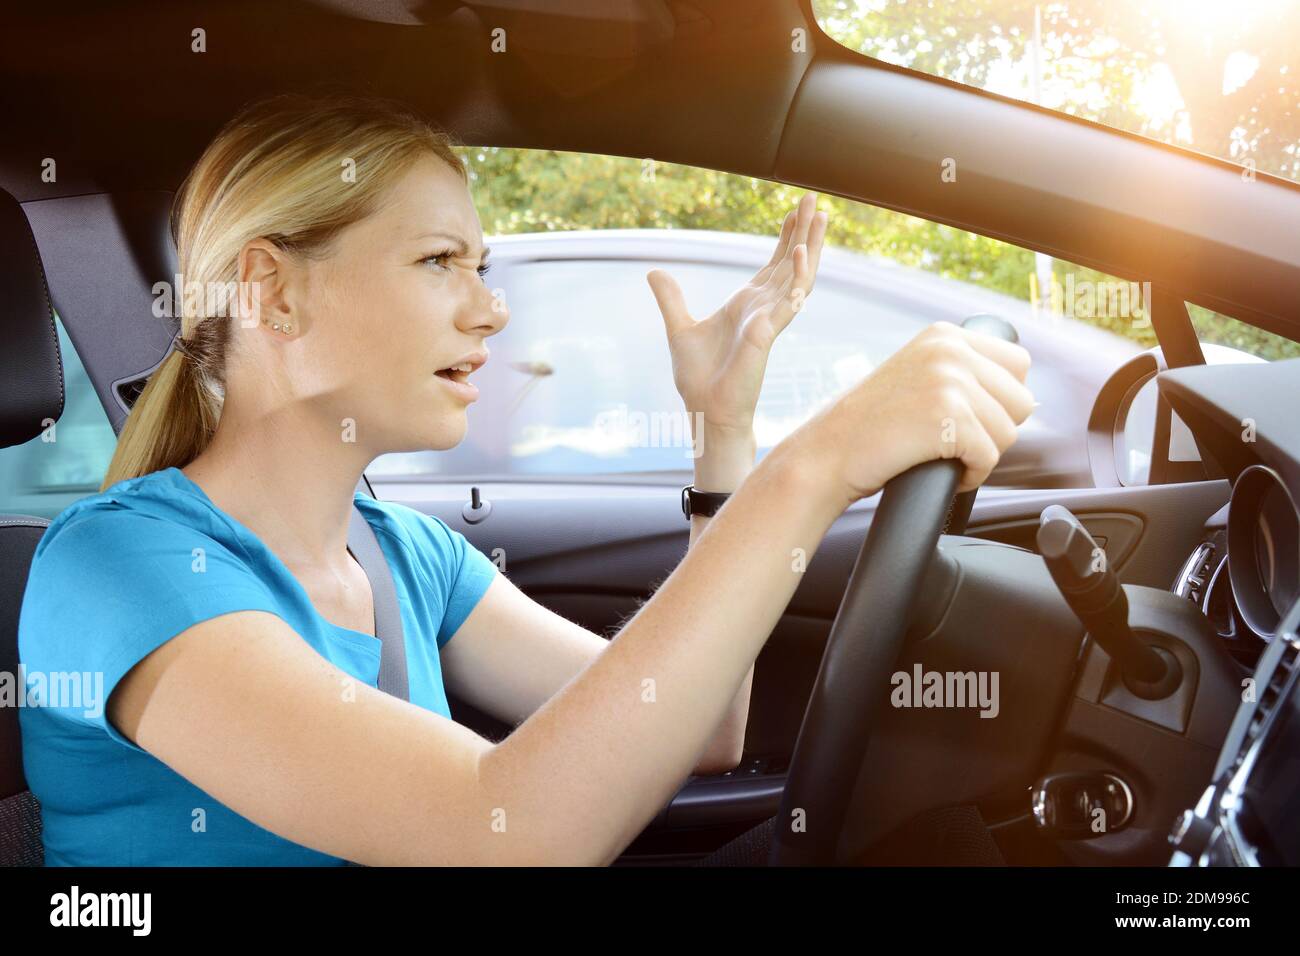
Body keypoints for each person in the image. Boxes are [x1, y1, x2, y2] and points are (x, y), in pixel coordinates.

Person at [17, 92, 1032, 866]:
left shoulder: (406, 553)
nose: (488, 310)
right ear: (271, 290)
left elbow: (703, 730)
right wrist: (815, 467)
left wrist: (722, 431)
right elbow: (500, 830)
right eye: (438, 261)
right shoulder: (117, 566)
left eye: (482, 266)